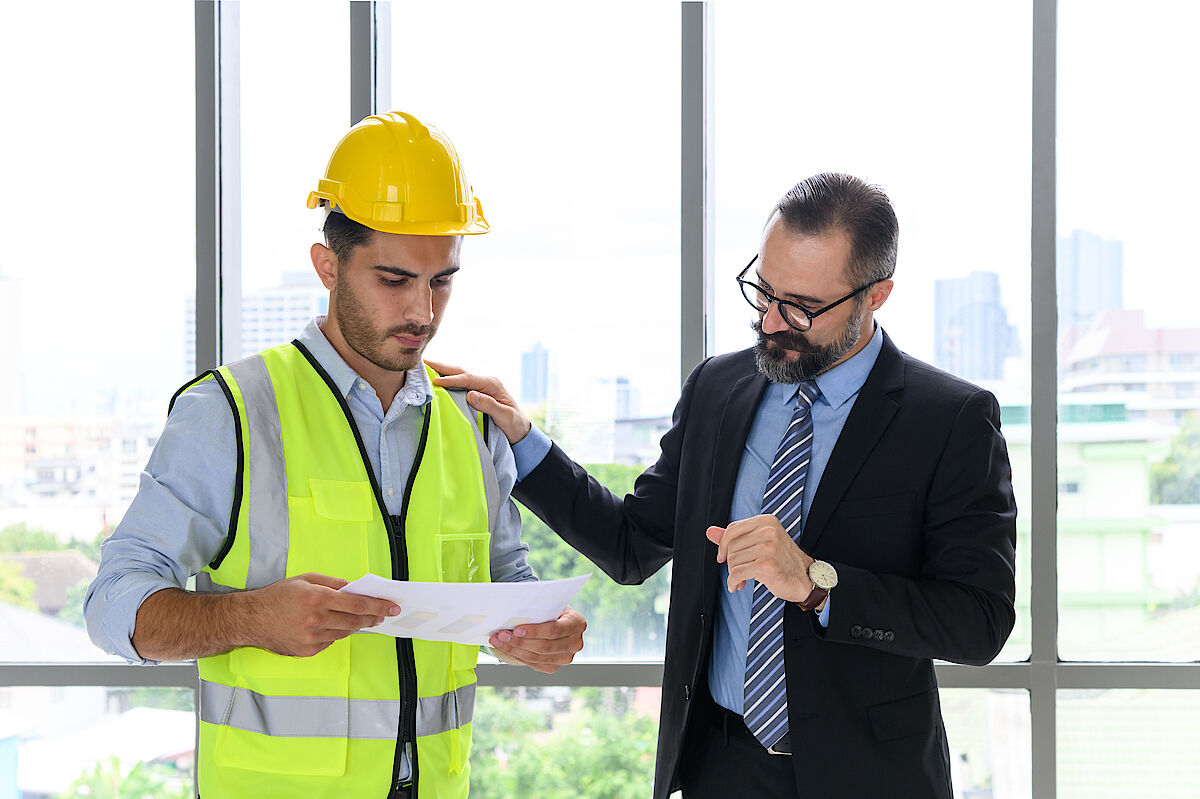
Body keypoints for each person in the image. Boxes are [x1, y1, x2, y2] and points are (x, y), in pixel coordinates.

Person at [436, 173, 1017, 798]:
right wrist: (523, 440)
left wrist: (817, 584)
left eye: (799, 306)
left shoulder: (950, 419)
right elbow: (634, 545)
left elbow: (979, 622)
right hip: (720, 767)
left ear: (876, 296)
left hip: (869, 776)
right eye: (762, 290)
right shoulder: (718, 388)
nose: (770, 321)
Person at [84, 110, 586, 799]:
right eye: (393, 278)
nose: (423, 310)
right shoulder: (231, 412)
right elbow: (113, 606)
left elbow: (505, 584)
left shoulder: (471, 424)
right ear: (328, 264)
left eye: (441, 279)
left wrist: (535, 631)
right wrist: (251, 617)